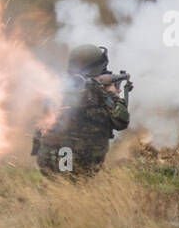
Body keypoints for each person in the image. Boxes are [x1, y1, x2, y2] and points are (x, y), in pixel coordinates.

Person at [32, 44, 130, 179]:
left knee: (60, 182)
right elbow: (121, 122)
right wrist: (114, 95)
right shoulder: (97, 92)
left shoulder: (58, 85)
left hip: (47, 161)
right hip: (81, 165)